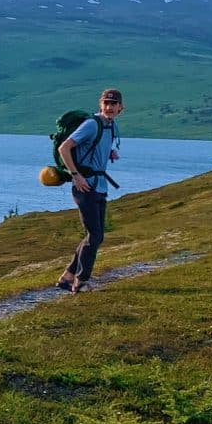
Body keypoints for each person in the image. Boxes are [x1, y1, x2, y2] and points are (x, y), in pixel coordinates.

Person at [56, 88, 122, 292]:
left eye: (113, 104)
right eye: (106, 103)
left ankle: (67, 277)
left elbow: (97, 147)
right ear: (100, 105)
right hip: (84, 187)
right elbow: (64, 148)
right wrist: (76, 176)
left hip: (99, 187)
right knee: (95, 235)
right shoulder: (91, 125)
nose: (109, 107)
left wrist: (109, 153)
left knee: (96, 235)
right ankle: (81, 281)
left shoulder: (111, 127)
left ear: (121, 108)